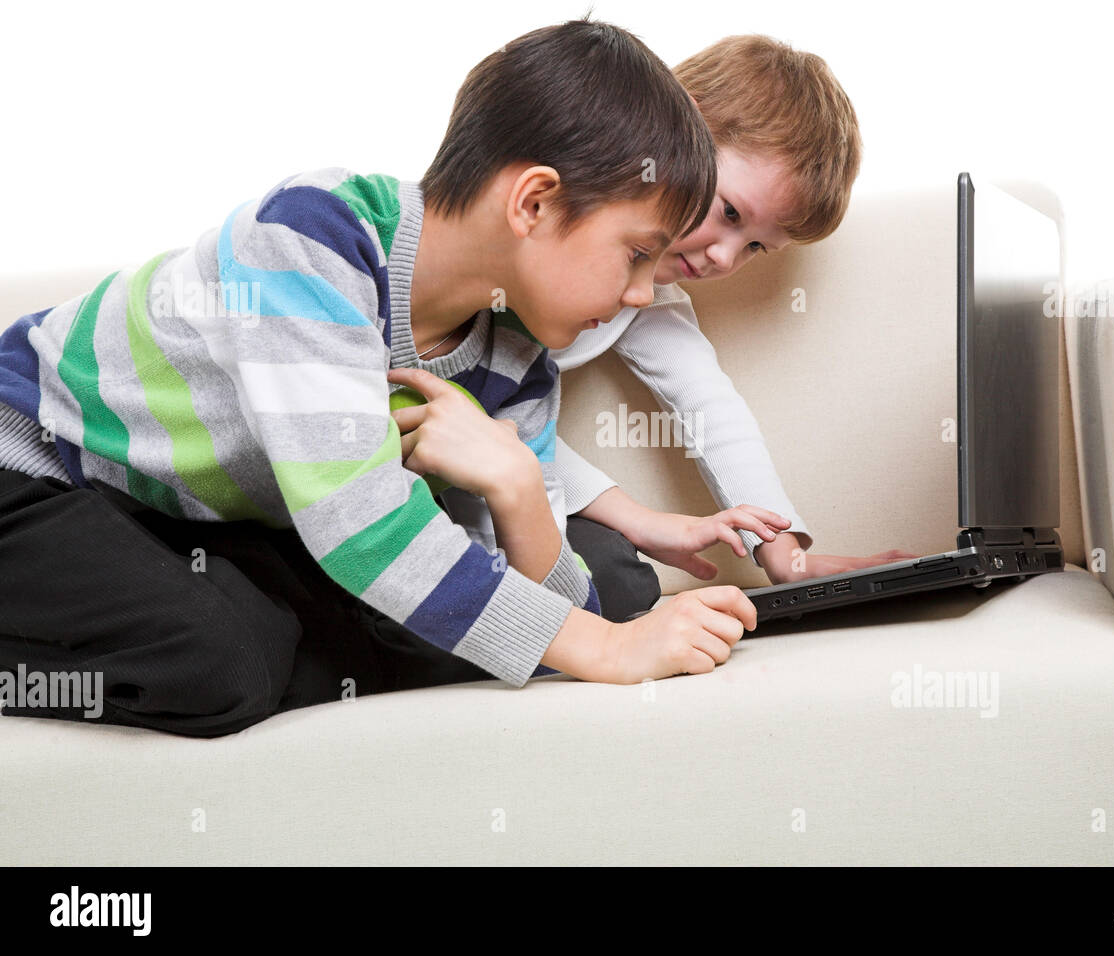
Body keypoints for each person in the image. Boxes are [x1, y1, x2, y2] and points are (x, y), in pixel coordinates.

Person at [0, 17, 758, 739]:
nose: (641, 293)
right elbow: (362, 524)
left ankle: (278, 647)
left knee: (586, 595)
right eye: (636, 254)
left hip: (186, 520)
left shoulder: (519, 357)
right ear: (534, 201)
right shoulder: (309, 236)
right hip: (38, 469)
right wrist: (612, 651)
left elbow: (571, 620)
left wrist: (520, 488)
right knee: (223, 656)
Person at [537, 36, 921, 620]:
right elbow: (497, 414)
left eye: (756, 246)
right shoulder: (539, 227)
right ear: (671, 135)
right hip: (418, 458)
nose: (724, 258)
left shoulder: (653, 298)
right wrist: (633, 516)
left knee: (615, 580)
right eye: (731, 214)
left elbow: (711, 407)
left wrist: (786, 557)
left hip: (503, 482)